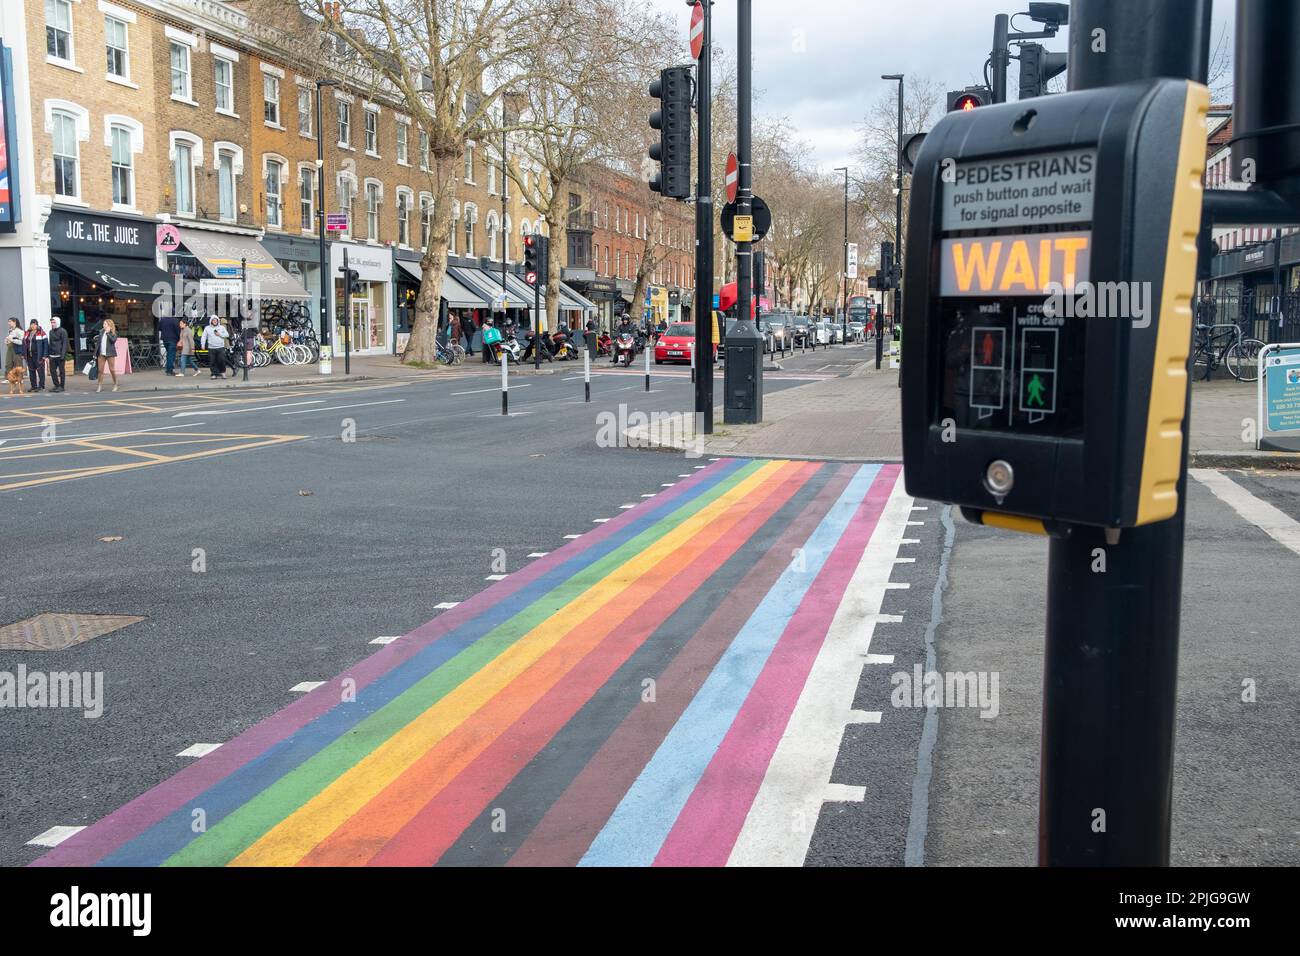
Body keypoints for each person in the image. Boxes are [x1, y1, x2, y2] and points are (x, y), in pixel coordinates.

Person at [95, 318, 120, 392]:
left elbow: (113, 341)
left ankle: (115, 384)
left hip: (110, 354)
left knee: (112, 369)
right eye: (103, 324)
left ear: (109, 325)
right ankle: (99, 385)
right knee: (100, 370)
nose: (104, 325)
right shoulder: (101, 332)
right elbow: (98, 343)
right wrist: (95, 353)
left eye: (105, 324)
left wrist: (108, 333)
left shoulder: (114, 332)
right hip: (101, 353)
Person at [24, 320, 49, 392]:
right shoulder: (27, 333)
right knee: (31, 371)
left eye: (34, 324)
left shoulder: (41, 333)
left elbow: (46, 345)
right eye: (31, 324)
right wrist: (24, 354)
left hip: (38, 355)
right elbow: (24, 344)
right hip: (29, 355)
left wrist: (45, 355)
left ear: (37, 325)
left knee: (40, 371)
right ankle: (33, 386)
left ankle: (41, 386)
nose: (33, 326)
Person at [5, 318, 26, 396]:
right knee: (8, 365)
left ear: (15, 322)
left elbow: (21, 342)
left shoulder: (19, 331)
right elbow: (9, 339)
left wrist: (12, 340)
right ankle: (12, 385)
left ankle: (20, 387)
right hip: (10, 348)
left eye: (10, 322)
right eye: (8, 322)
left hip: (16, 349)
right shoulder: (10, 330)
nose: (9, 323)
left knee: (18, 368)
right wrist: (7, 341)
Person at [47, 317, 68, 392]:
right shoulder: (50, 332)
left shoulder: (63, 331)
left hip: (60, 355)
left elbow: (65, 343)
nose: (52, 324)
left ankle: (62, 386)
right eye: (52, 323)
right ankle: (56, 385)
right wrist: (48, 354)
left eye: (54, 322)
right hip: (52, 355)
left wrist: (63, 355)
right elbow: (50, 343)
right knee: (52, 371)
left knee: (61, 371)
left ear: (58, 322)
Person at [159, 311, 181, 376]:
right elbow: (178, 331)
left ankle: (168, 369)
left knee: (169, 354)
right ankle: (169, 371)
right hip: (173, 340)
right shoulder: (175, 320)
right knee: (171, 355)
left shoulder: (162, 320)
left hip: (165, 339)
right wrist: (180, 339)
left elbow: (159, 328)